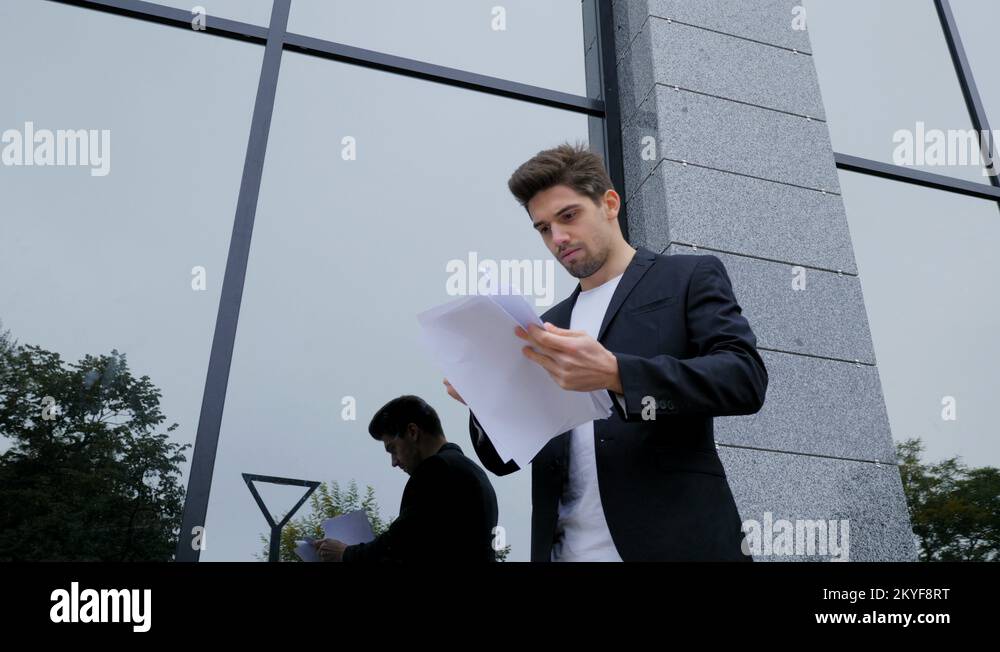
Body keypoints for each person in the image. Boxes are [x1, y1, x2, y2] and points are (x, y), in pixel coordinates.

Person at [444, 142, 768, 561]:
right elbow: (503, 462)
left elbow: (744, 378)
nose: (558, 238)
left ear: (609, 203)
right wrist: (484, 400)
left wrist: (617, 374)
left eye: (568, 216)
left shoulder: (686, 278)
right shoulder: (544, 327)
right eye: (543, 228)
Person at [314, 395, 499, 562]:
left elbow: (399, 544)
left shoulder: (435, 470)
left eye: (392, 449)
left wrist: (345, 554)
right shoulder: (474, 472)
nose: (394, 462)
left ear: (412, 432)